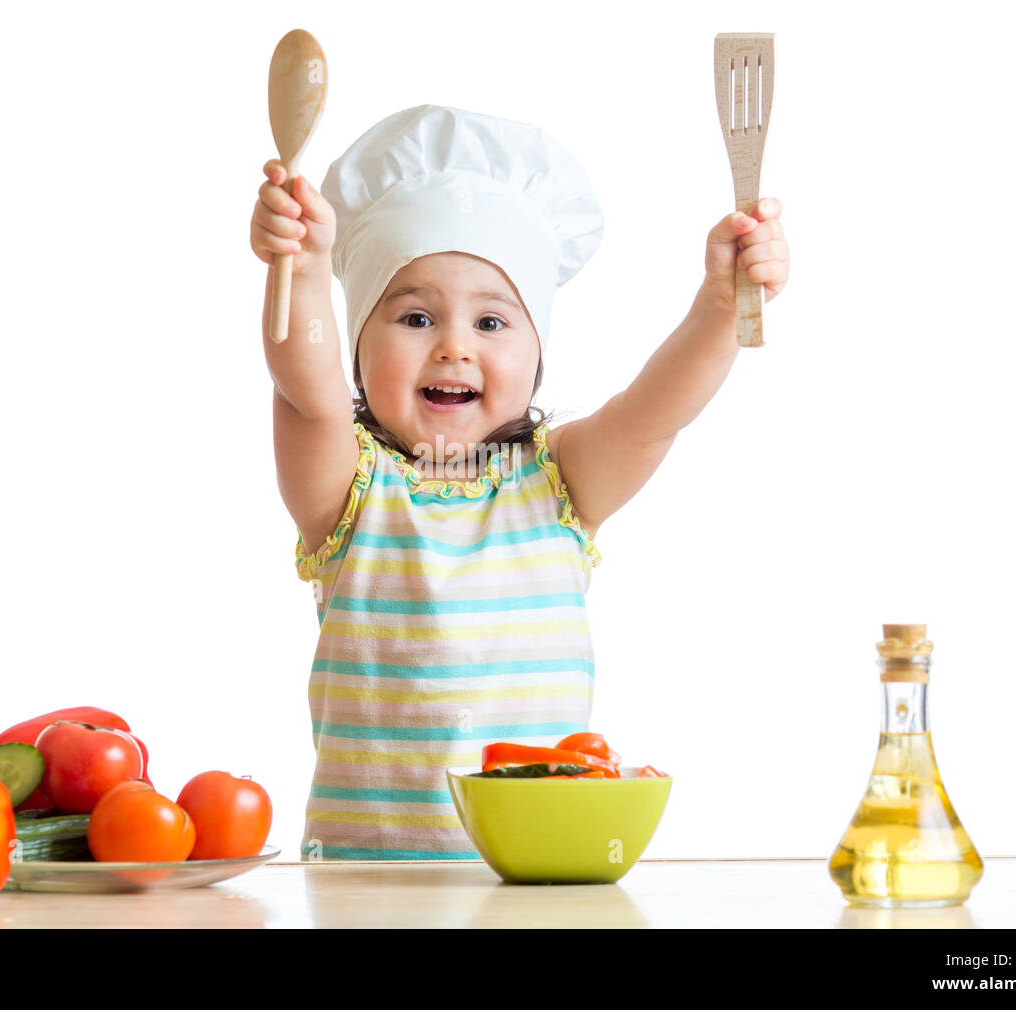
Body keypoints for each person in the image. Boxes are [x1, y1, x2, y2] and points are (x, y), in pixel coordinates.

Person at [250, 104, 789, 860]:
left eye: (493, 324)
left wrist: (721, 307)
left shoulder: (560, 484)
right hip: (364, 886)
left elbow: (653, 415)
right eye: (412, 318)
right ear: (357, 346)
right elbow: (307, 396)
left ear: (538, 351)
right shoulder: (348, 490)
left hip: (534, 879)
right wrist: (300, 273)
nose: (453, 349)